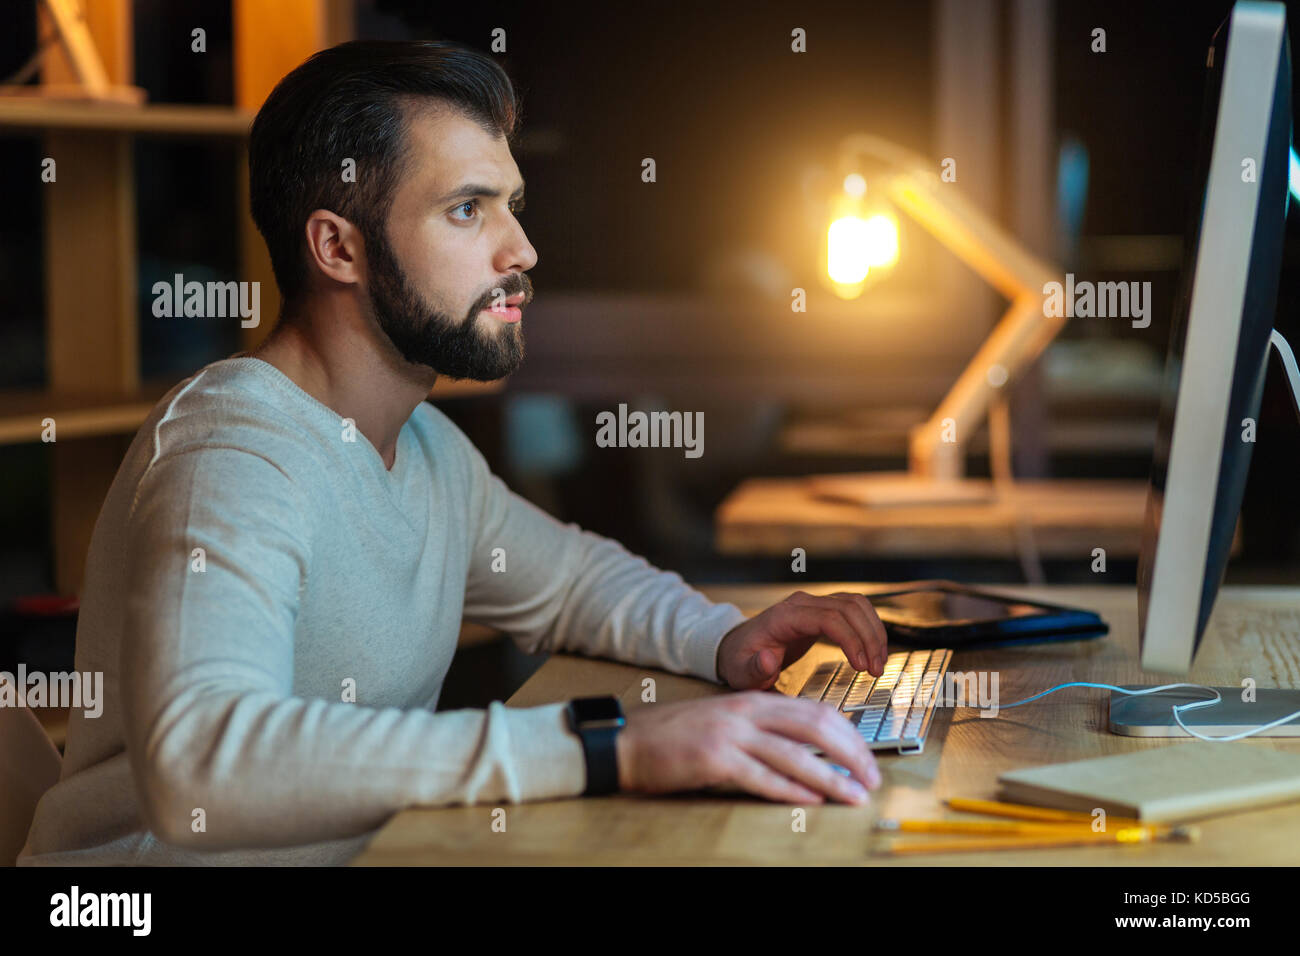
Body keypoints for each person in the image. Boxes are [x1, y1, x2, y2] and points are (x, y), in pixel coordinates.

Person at [19, 40, 885, 866]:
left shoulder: (426, 447)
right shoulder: (232, 453)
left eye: (513, 206)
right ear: (338, 247)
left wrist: (727, 638)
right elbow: (203, 763)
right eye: (468, 209)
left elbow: (574, 583)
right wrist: (607, 747)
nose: (522, 252)